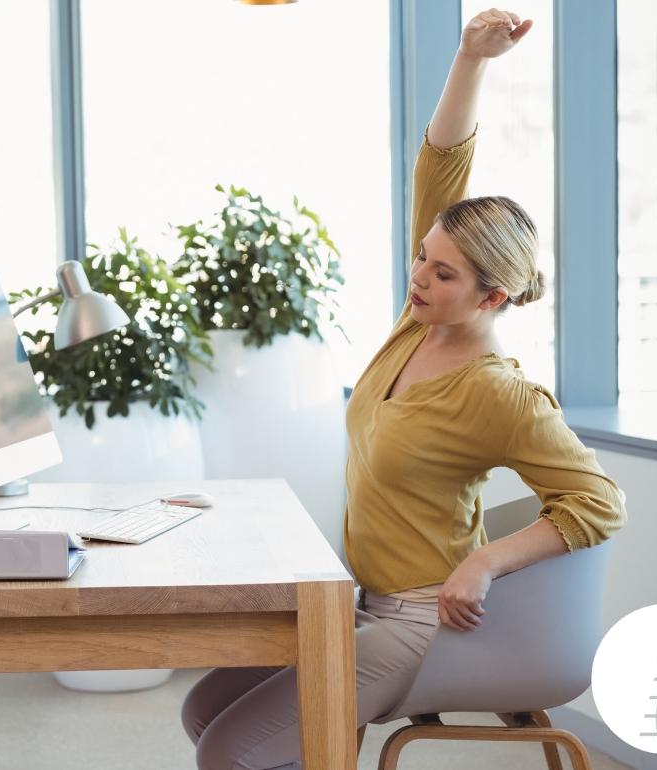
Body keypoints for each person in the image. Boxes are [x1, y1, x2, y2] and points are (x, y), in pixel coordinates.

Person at [180, 9, 627, 770]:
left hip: (423, 625)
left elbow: (599, 502)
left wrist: (483, 563)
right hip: (360, 600)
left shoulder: (500, 395)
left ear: (493, 297)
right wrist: (470, 58)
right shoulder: (414, 325)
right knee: (202, 708)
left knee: (227, 751)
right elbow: (441, 166)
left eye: (442, 272)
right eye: (422, 255)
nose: (418, 275)